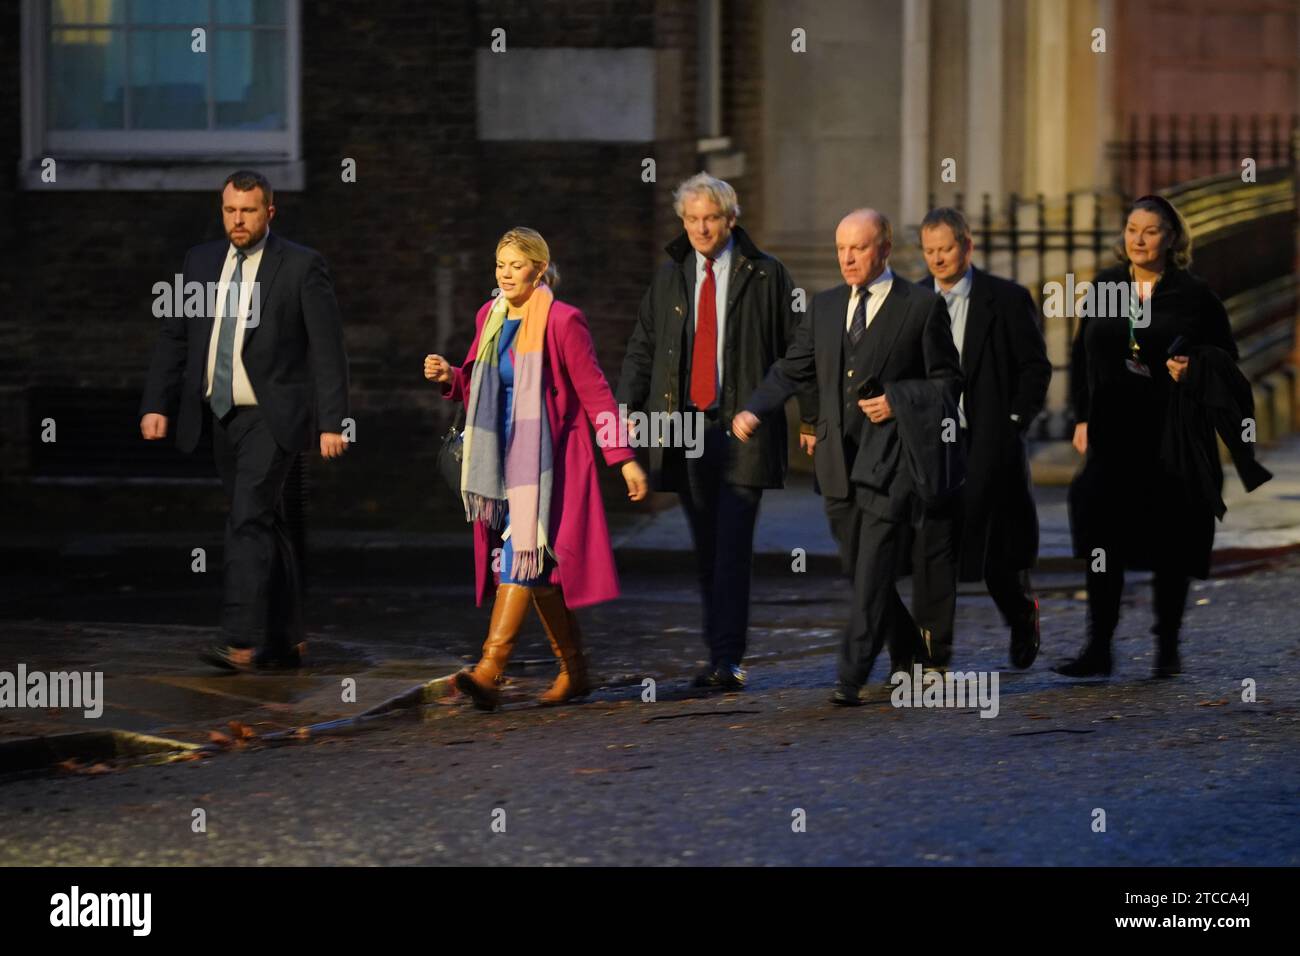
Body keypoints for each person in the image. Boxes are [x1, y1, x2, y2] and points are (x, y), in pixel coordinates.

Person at [734, 209, 963, 706]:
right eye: (841, 249)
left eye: (858, 248)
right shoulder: (825, 307)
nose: (847, 258)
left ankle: (850, 675)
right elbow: (792, 368)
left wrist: (898, 401)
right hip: (837, 467)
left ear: (883, 249)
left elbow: (948, 382)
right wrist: (754, 409)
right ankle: (909, 653)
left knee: (873, 573)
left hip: (892, 465)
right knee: (864, 573)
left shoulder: (921, 307)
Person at [425, 227, 648, 710]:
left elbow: (596, 393)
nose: (505, 274)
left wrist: (623, 457)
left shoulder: (564, 322)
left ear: (539, 269)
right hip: (498, 463)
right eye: (500, 265)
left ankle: (490, 668)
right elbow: (481, 384)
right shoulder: (490, 316)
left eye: (516, 265)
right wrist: (451, 377)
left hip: (548, 466)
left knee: (518, 556)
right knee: (539, 571)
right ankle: (576, 671)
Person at [140, 170, 351, 672]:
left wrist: (333, 422)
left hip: (271, 415)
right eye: (230, 210)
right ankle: (286, 638)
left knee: (247, 517)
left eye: (248, 210)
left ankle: (238, 639)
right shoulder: (200, 262)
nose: (238, 220)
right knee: (268, 524)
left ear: (269, 212)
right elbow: (175, 337)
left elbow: (328, 350)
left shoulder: (301, 267)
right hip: (218, 414)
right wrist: (156, 403)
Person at [615, 173, 808, 692]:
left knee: (732, 546)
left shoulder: (768, 275)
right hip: (684, 429)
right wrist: (625, 415)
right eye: (693, 219)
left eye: (712, 218)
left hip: (742, 428)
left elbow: (801, 349)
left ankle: (728, 658)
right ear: (683, 221)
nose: (702, 227)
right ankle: (718, 651)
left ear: (731, 219)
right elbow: (642, 349)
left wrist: (804, 416)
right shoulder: (670, 275)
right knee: (705, 547)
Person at [1058, 195, 1265, 679]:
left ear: (1172, 238)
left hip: (1169, 430)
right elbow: (1083, 354)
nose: (1138, 239)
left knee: (1171, 535)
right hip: (1112, 428)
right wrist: (1081, 417)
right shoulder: (1107, 287)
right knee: (1101, 533)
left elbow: (1226, 356)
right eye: (1132, 228)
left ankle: (1166, 643)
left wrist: (1193, 367)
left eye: (1150, 231)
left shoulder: (1194, 295)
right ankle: (1099, 645)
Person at [914, 207, 1052, 670]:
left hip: (991, 442)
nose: (938, 259)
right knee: (938, 550)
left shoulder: (1007, 299)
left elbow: (1035, 367)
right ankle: (934, 652)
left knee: (998, 558)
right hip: (938, 447)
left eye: (946, 249)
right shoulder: (911, 302)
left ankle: (1020, 614)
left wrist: (1013, 420)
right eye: (929, 251)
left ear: (967, 246)